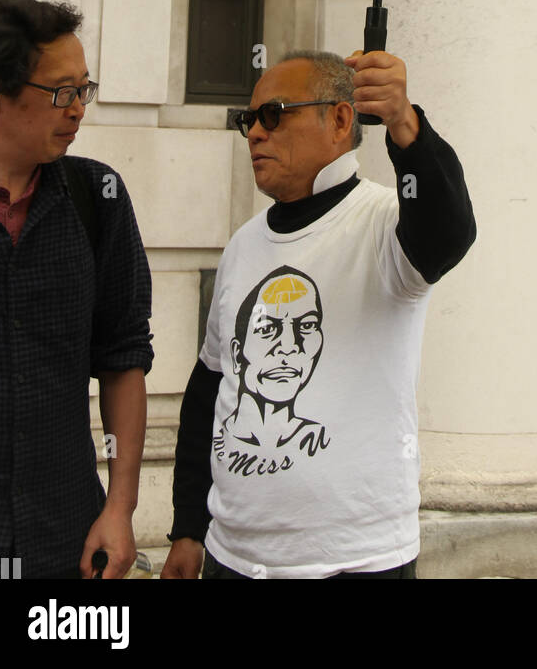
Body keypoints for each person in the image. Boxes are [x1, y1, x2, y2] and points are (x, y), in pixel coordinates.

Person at [163, 48, 476, 580]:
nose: (255, 134)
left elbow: (449, 231)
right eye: (249, 120)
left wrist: (404, 121)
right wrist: (189, 528)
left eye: (273, 114)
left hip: (353, 560)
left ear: (338, 119)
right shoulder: (244, 244)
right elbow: (210, 390)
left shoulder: (383, 225)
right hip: (231, 556)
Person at [0, 0, 153, 579]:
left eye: (85, 88)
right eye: (61, 92)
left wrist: (120, 505)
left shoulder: (96, 198)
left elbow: (123, 355)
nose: (78, 109)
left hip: (66, 541)